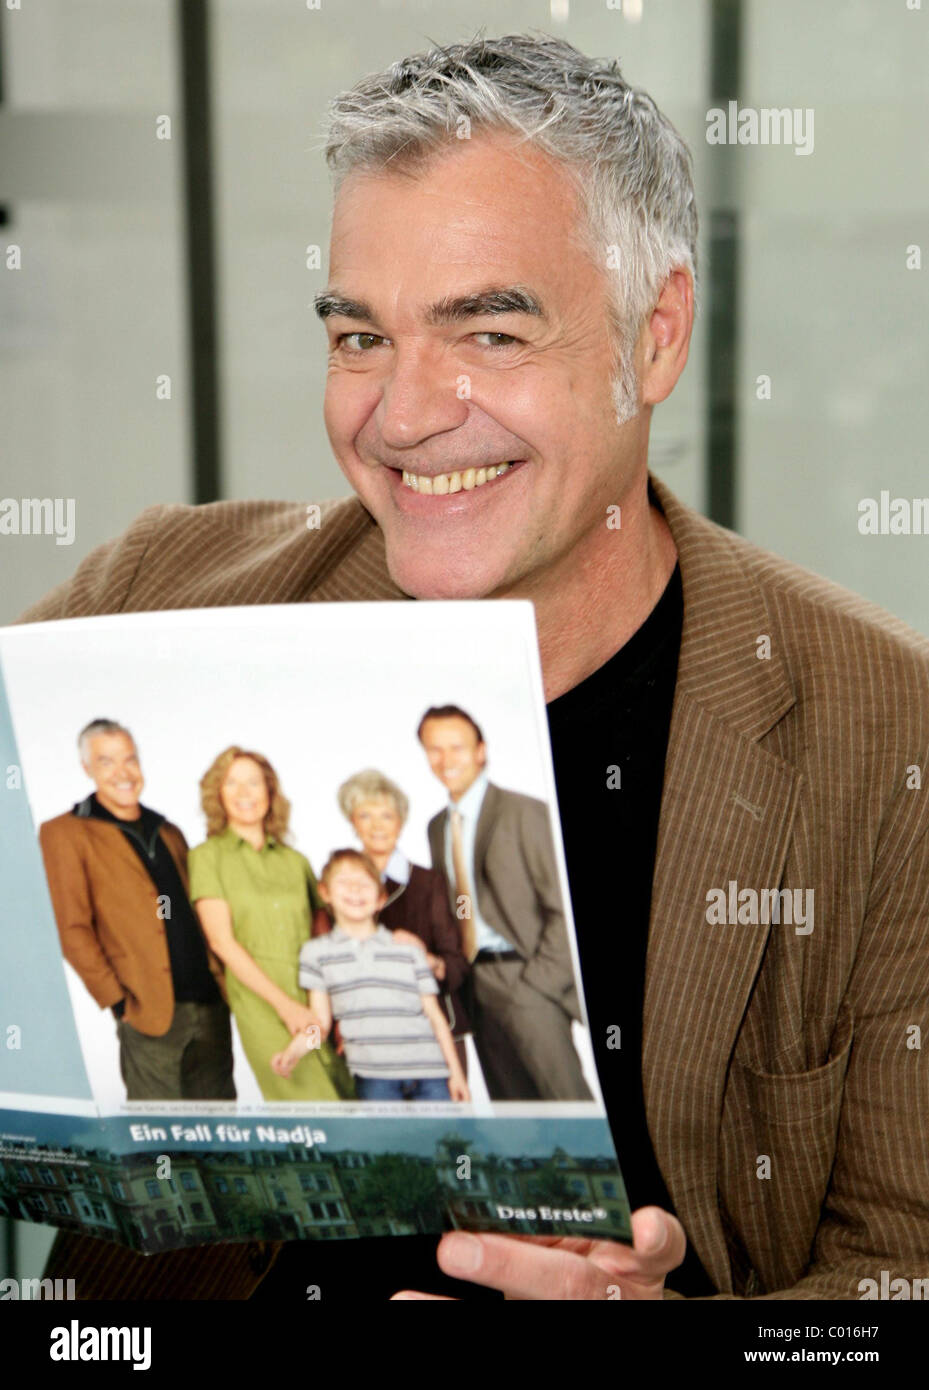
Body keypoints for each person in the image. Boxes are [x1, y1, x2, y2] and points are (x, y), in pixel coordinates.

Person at [25, 33, 929, 1301]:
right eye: (358, 337)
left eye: (489, 333)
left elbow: (904, 1270)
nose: (399, 416)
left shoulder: (888, 734)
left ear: (653, 338)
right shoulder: (156, 597)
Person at [38, 719, 234, 1101]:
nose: (123, 773)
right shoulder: (65, 832)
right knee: (158, 1136)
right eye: (107, 762)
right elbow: (70, 927)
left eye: (130, 760)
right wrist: (117, 1001)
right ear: (87, 768)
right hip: (148, 1011)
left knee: (218, 1132)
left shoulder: (169, 831)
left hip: (210, 1005)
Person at [418, 705, 590, 1102]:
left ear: (481, 750)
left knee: (566, 1103)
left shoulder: (524, 813)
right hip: (475, 987)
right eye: (434, 749)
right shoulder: (437, 827)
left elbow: (561, 906)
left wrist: (538, 984)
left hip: (526, 976)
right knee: (516, 1113)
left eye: (457, 747)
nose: (446, 760)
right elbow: (457, 908)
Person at [187, 746, 354, 1101]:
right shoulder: (207, 858)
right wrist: (285, 1006)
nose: (245, 793)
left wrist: (331, 1007)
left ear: (270, 792)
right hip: (261, 1000)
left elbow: (323, 933)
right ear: (217, 794)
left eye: (254, 783)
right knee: (307, 1103)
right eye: (232, 783)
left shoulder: (296, 862)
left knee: (347, 1096)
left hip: (315, 994)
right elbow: (221, 942)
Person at [273, 849, 469, 1103]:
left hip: (431, 1074)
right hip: (375, 1079)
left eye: (365, 883)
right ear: (324, 893)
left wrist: (456, 1074)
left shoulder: (408, 948)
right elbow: (320, 1023)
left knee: (441, 1142)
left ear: (380, 898)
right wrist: (294, 1051)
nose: (355, 890)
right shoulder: (316, 953)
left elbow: (434, 1016)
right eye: (344, 882)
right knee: (388, 1143)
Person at [312, 768, 471, 1072]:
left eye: (387, 816)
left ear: (401, 822)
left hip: (434, 1031)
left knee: (452, 1120)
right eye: (365, 815)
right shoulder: (336, 883)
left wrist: (431, 962)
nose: (377, 826)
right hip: (367, 1035)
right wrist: (315, 1037)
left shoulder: (429, 882)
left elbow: (457, 960)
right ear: (352, 822)